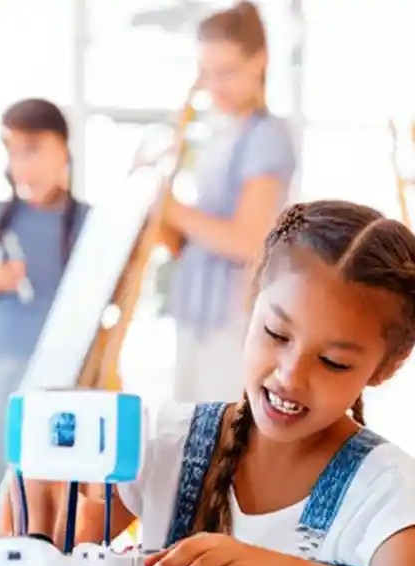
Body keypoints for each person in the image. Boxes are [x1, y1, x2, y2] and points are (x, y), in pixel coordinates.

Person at [0, 201, 415, 566]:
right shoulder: (167, 443)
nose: (290, 376)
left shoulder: (382, 481)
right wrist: (38, 506)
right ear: (252, 301)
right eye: (276, 334)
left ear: (386, 367)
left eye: (332, 362)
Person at [0, 99, 91, 549]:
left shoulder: (87, 222)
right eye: (12, 151)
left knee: (51, 480)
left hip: (60, 375)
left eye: (32, 149)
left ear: (63, 151)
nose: (21, 164)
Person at [160, 0, 297, 403]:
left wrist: (174, 210)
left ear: (260, 61)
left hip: (234, 318)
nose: (213, 85)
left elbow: (249, 240)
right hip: (198, 314)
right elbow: (196, 238)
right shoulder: (217, 134)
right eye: (206, 72)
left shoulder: (265, 137)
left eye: (227, 72)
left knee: (220, 441)